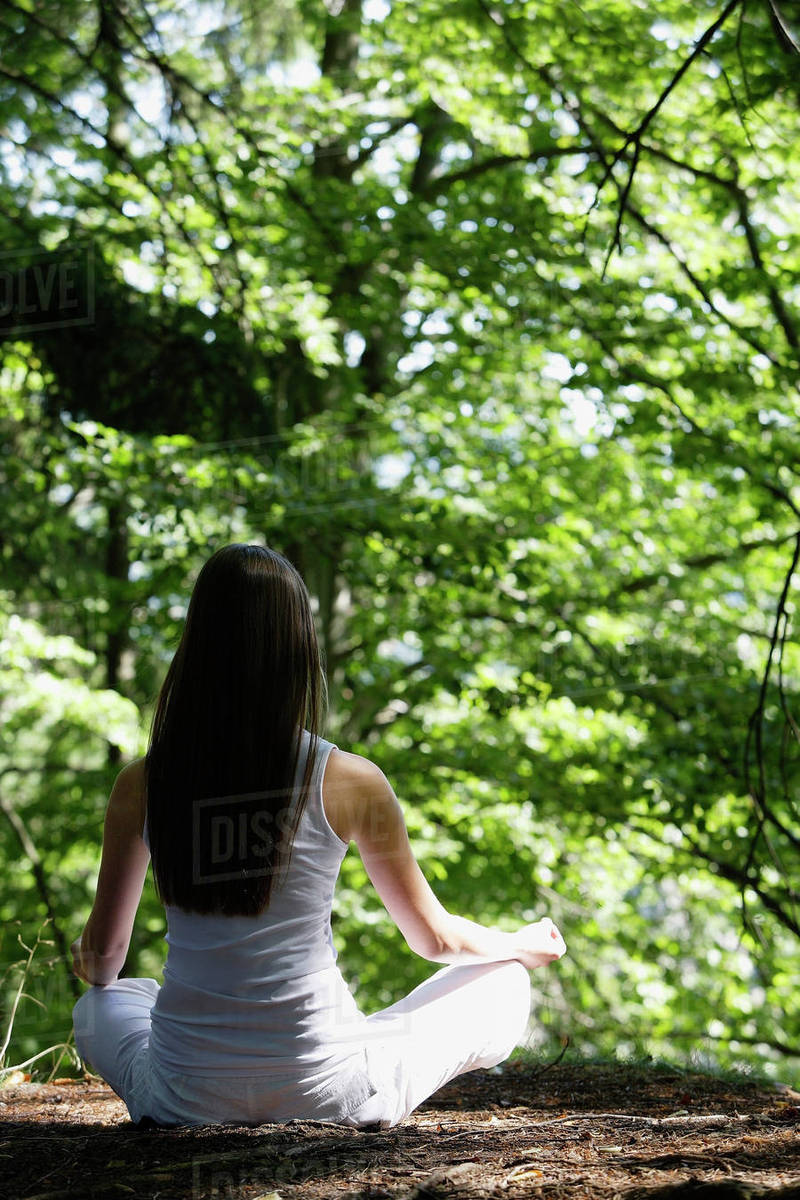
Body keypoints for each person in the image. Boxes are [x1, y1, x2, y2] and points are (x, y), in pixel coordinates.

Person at [71, 543, 567, 1129]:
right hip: (333, 1093)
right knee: (504, 980)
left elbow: (103, 963)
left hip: (183, 1099)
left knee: (103, 1004)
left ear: (196, 645)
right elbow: (434, 939)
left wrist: (94, 957)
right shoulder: (351, 781)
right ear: (298, 650)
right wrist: (516, 943)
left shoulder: (142, 784)